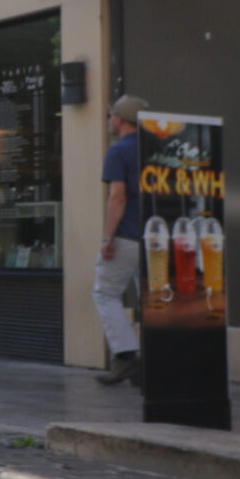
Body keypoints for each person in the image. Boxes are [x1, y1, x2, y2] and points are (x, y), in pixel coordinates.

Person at [95, 95, 147, 385]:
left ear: (121, 120)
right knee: (151, 303)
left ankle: (126, 356)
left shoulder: (118, 152)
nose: (108, 121)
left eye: (110, 115)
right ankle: (150, 366)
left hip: (127, 235)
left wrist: (108, 237)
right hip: (155, 238)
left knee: (105, 292)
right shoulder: (156, 149)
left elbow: (118, 197)